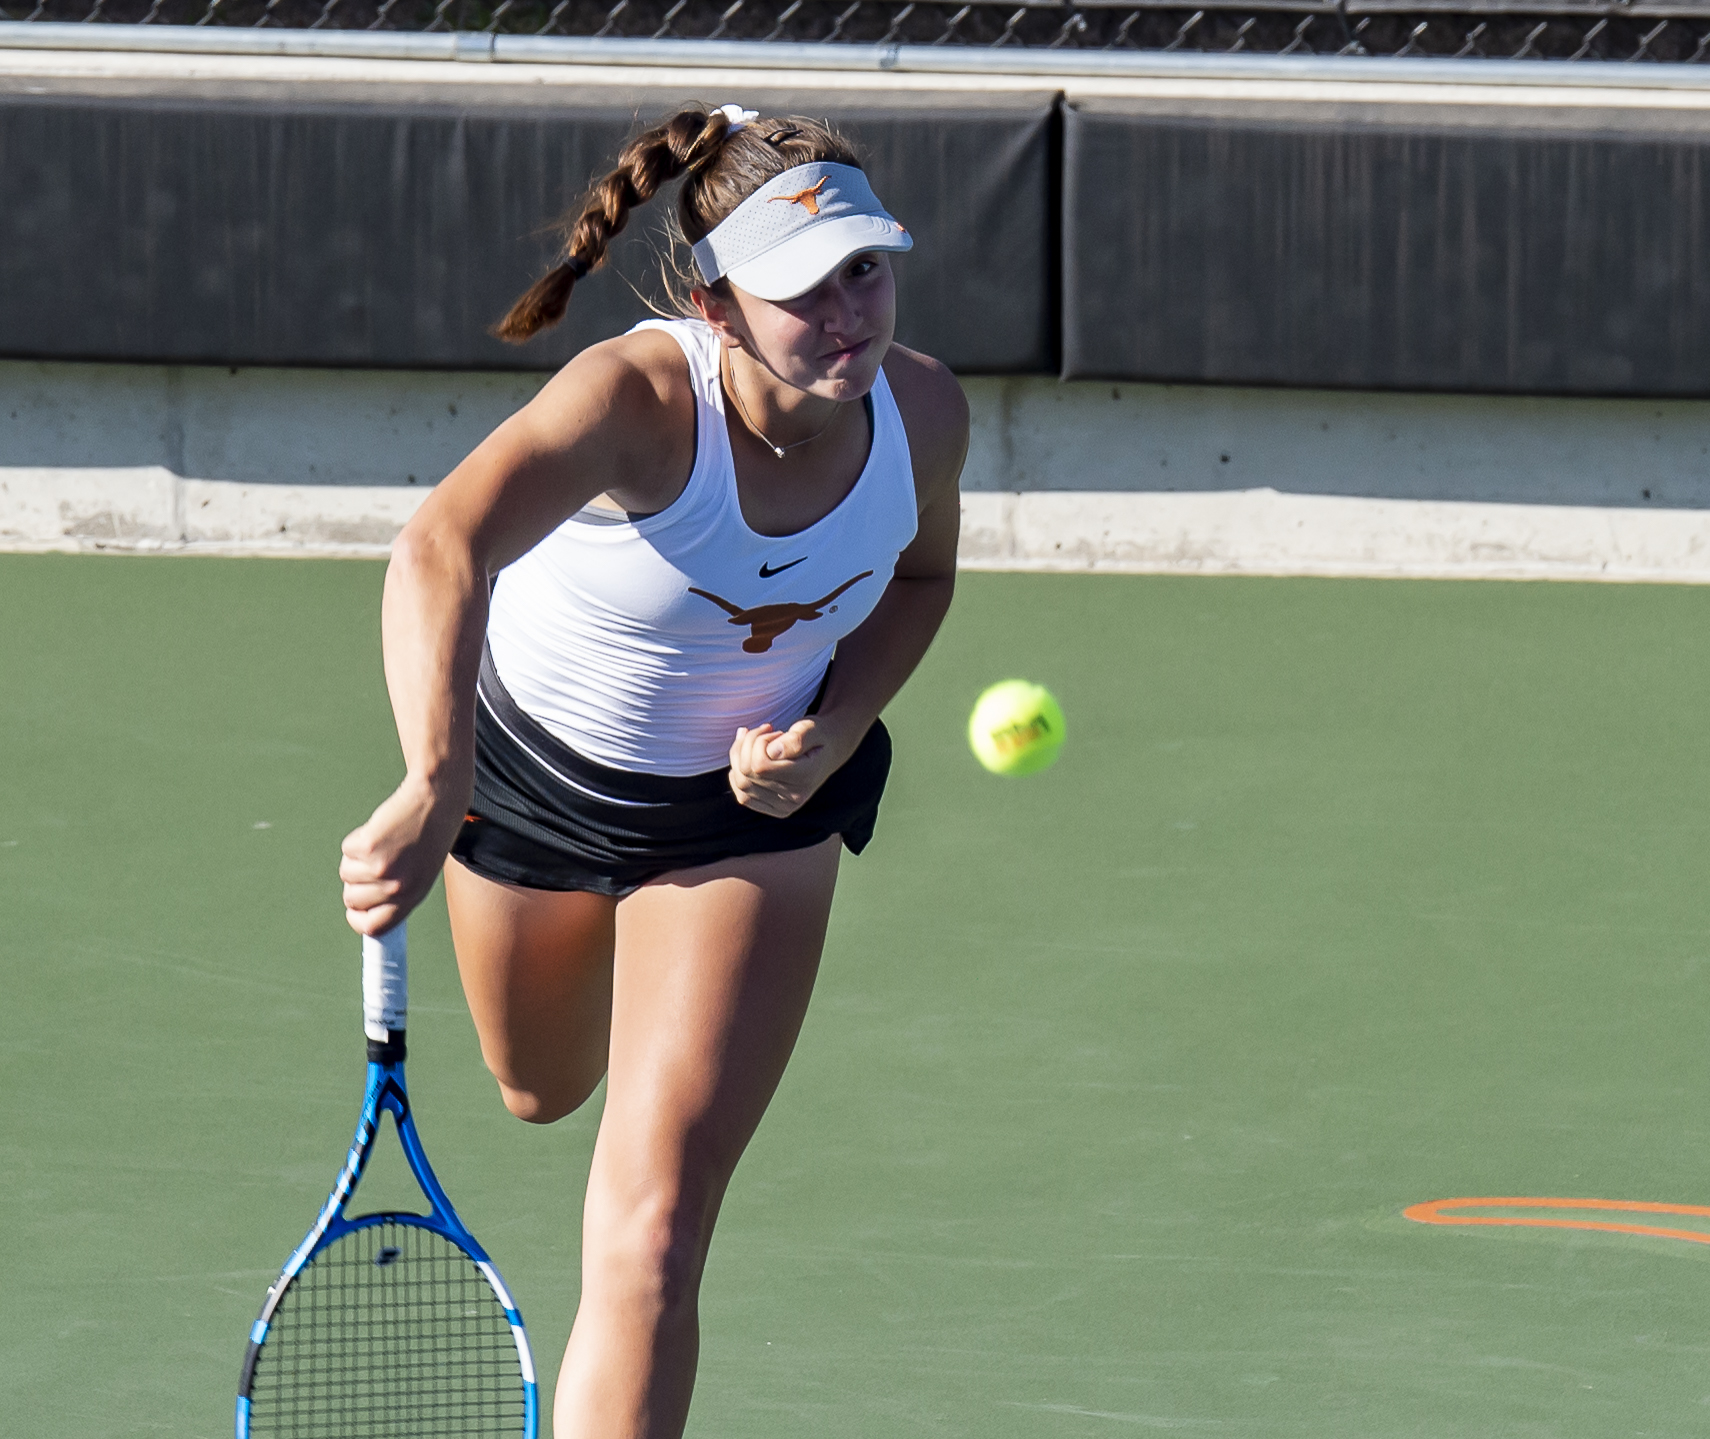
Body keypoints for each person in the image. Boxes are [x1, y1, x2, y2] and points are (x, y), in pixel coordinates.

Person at [337, 103, 968, 1438]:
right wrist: (433, 772)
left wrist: (838, 728)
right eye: (804, 289)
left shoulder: (922, 408)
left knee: (654, 1227)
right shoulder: (636, 401)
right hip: (530, 789)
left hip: (742, 829)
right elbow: (440, 549)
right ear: (719, 303)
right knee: (537, 1088)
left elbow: (917, 578)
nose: (851, 309)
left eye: (865, 264)